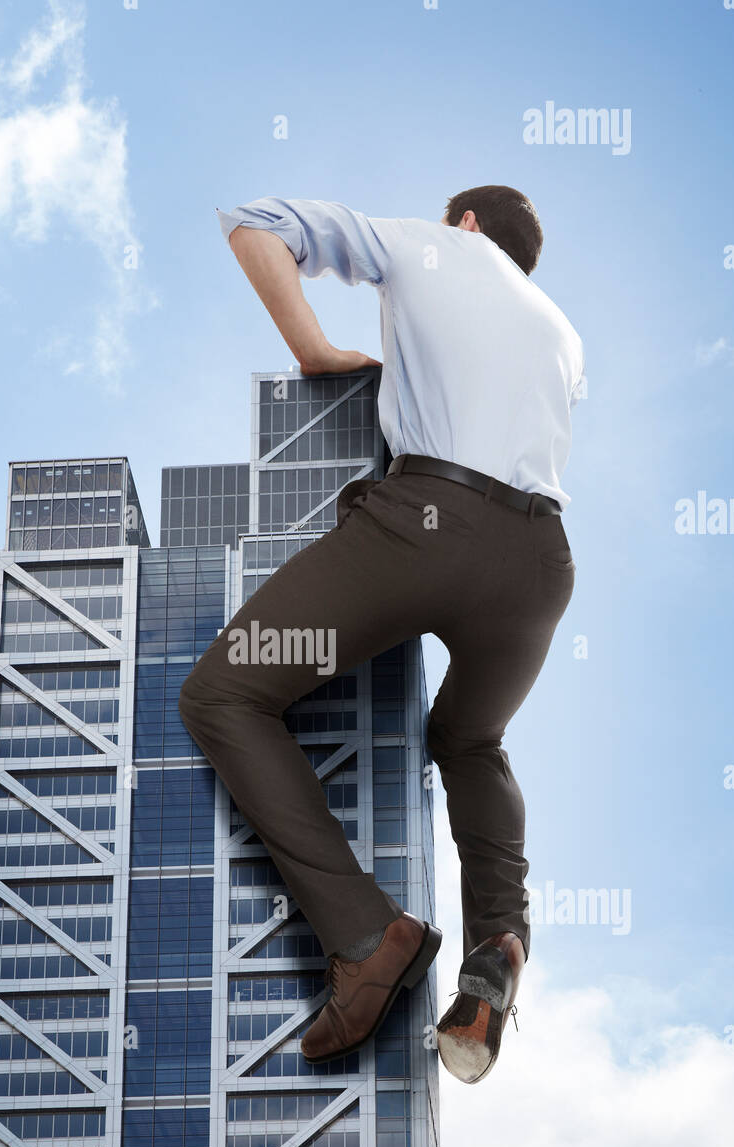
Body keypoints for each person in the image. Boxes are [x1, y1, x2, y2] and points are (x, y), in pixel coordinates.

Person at [178, 186, 585, 1084]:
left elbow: (253, 223)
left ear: (466, 223)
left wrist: (316, 349)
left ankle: (366, 936)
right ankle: (498, 940)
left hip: (428, 526)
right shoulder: (563, 333)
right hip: (541, 563)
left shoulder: (427, 244)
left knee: (225, 694)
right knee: (469, 740)